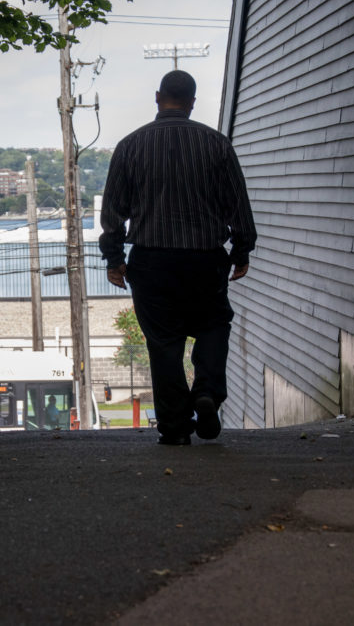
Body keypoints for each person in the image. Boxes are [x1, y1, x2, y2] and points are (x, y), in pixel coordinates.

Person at [99, 70, 256, 446]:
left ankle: (174, 426)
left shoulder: (130, 146)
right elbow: (239, 205)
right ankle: (207, 392)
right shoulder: (216, 144)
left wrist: (114, 258)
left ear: (158, 97)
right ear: (192, 102)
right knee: (214, 325)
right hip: (205, 259)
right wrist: (241, 250)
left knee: (164, 343)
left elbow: (112, 212)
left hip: (151, 261)